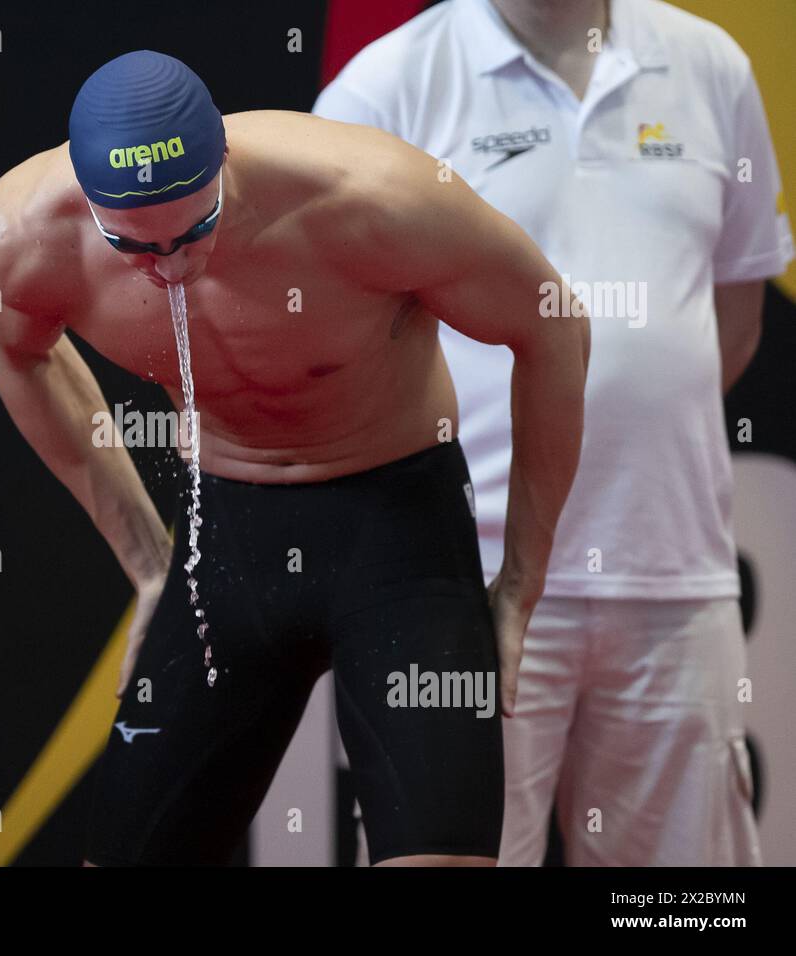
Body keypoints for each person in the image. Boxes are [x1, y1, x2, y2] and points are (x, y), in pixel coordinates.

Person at [0, 49, 589, 866]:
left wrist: (521, 584)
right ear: (87, 204)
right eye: (137, 250)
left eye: (194, 231)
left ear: (222, 159)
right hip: (222, 539)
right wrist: (148, 561)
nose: (173, 267)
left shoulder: (369, 196)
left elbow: (553, 324)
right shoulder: (17, 240)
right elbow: (23, 355)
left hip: (398, 532)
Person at [314, 0, 793, 865]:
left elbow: (736, 313)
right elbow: (329, 349)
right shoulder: (386, 88)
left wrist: (615, 440)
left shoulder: (711, 66)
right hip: (462, 584)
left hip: (671, 581)